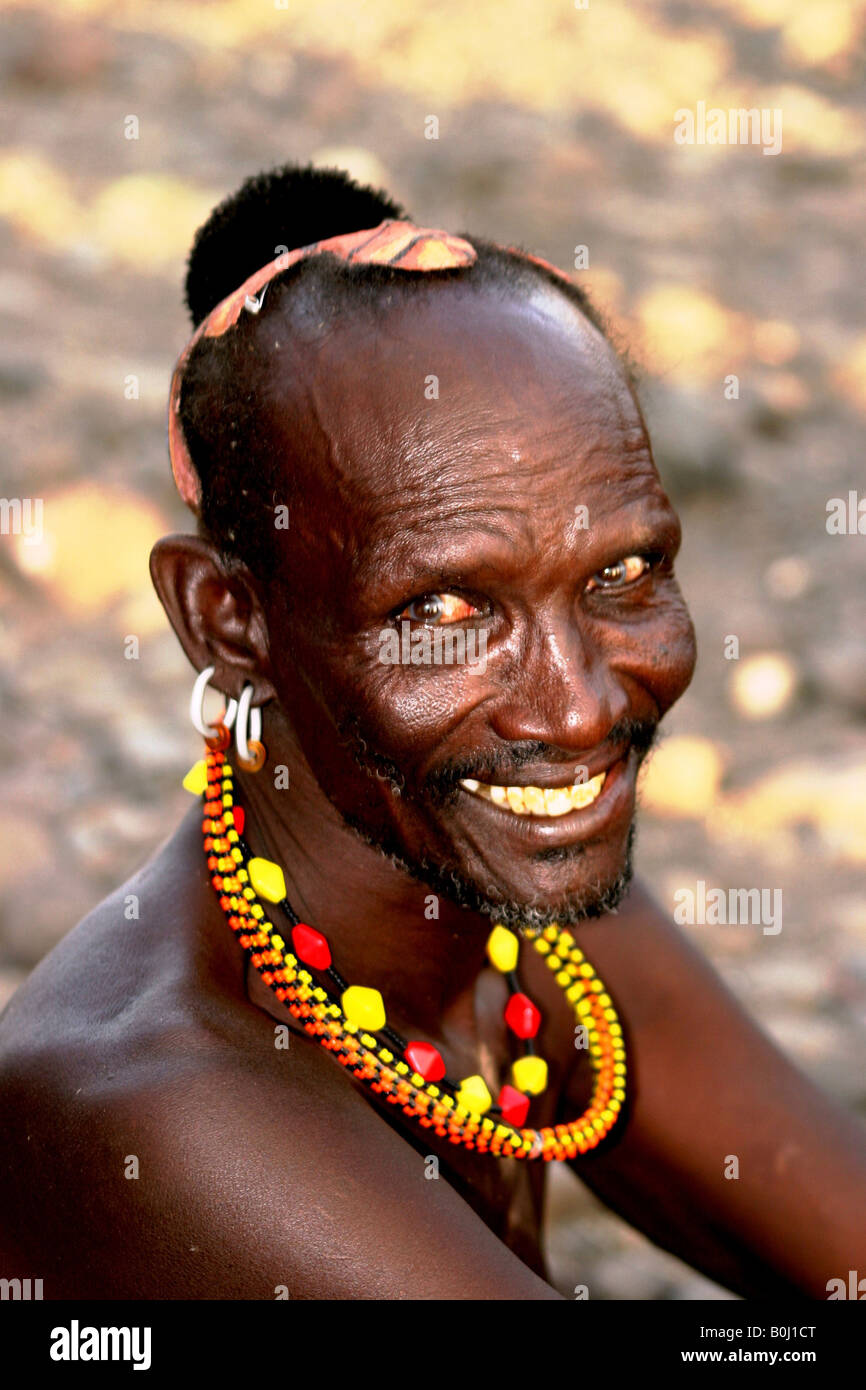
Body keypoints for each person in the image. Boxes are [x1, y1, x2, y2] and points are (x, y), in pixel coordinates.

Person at [1, 164, 864, 1301]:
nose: (579, 709)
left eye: (622, 571)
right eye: (445, 612)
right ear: (229, 618)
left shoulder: (522, 911)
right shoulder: (162, 1102)